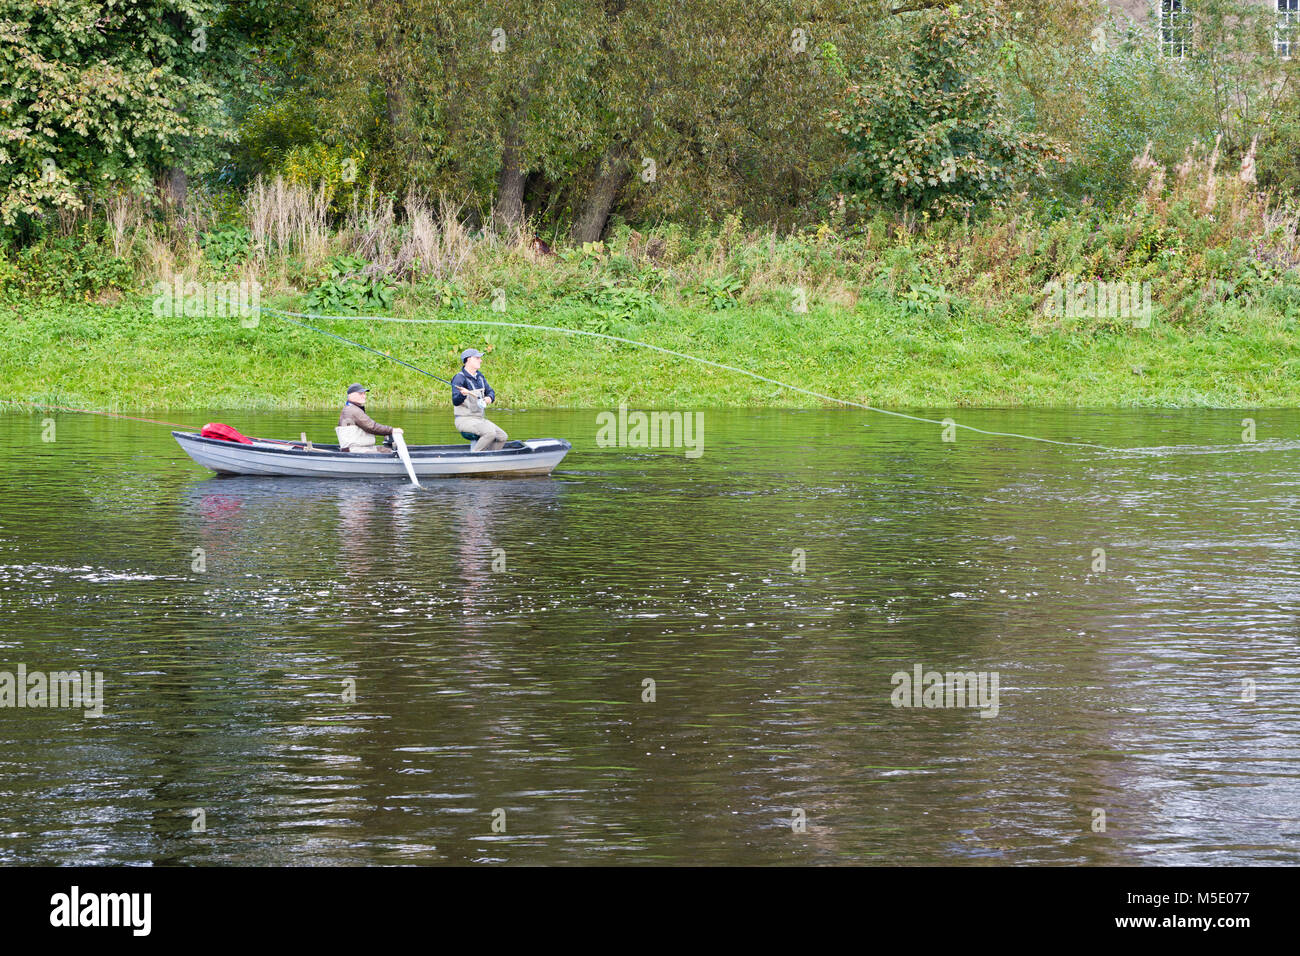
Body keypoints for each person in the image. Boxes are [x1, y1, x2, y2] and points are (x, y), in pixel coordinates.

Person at [451, 349, 508, 452]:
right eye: (477, 358)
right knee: (490, 433)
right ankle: (474, 457)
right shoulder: (459, 378)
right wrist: (462, 395)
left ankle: (490, 458)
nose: (480, 360)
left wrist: (489, 398)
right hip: (464, 420)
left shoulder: (480, 377)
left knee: (502, 436)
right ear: (468, 360)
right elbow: (455, 401)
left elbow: (491, 391)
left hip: (479, 419)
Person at [336, 384, 402, 453]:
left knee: (387, 450)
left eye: (364, 394)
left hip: (358, 448)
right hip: (354, 450)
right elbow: (371, 427)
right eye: (360, 394)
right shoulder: (353, 410)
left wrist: (387, 432)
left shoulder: (350, 408)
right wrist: (392, 430)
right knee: (389, 452)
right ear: (351, 395)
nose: (364, 396)